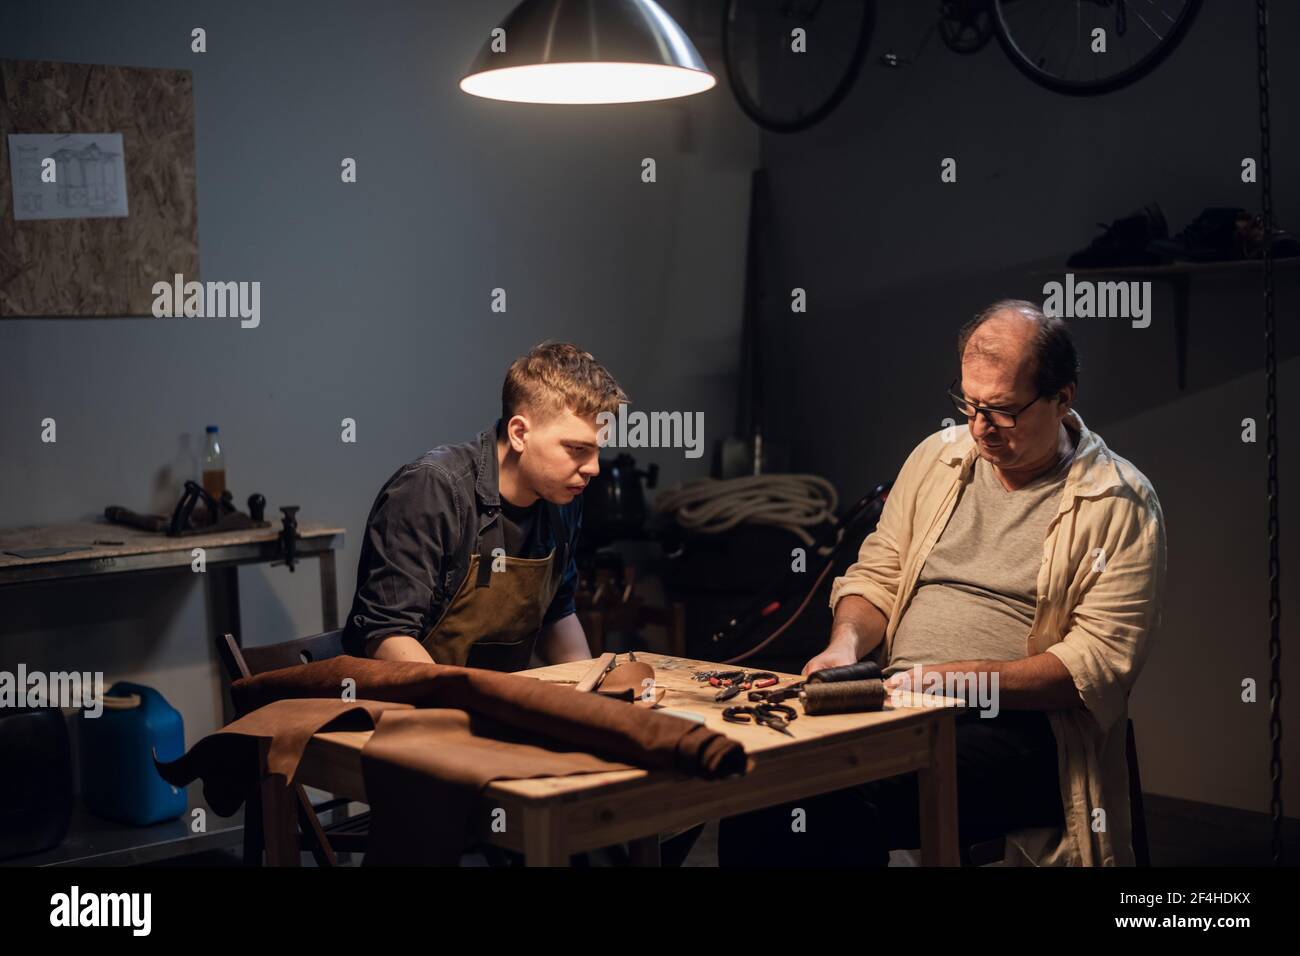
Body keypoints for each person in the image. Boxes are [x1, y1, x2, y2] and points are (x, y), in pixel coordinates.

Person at [720, 299, 1167, 866]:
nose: (980, 428)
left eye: (1002, 410)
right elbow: (878, 573)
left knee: (834, 806)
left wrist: (961, 682)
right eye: (969, 403)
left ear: (1063, 398)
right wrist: (845, 646)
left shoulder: (1119, 500)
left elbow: (1097, 665)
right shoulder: (938, 457)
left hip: (1024, 730)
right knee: (754, 786)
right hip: (901, 701)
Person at [341, 342, 628, 671]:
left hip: (492, 700)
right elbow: (387, 634)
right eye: (577, 448)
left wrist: (588, 695)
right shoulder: (432, 489)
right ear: (519, 433)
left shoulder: (562, 497)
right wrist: (465, 702)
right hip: (405, 706)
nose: (594, 469)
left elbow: (558, 614)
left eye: (597, 451)